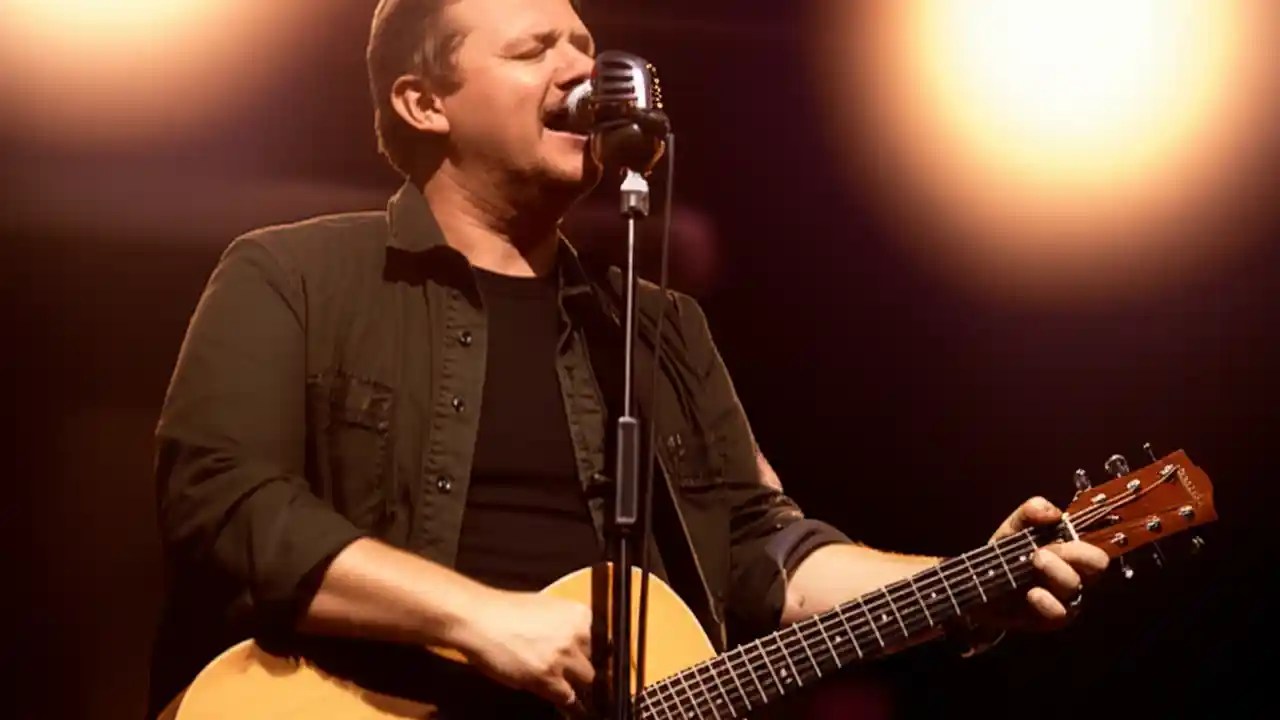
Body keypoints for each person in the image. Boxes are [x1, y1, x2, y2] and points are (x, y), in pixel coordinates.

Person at [146, 0, 1110, 716]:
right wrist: (486, 620)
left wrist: (965, 580)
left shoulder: (662, 328)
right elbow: (222, 499)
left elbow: (763, 553)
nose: (579, 68)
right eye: (533, 50)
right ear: (423, 100)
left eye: (584, 46)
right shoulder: (295, 273)